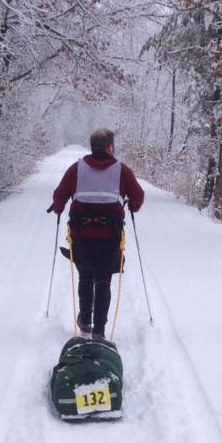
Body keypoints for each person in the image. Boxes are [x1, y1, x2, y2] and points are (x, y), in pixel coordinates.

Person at [49, 129, 144, 340]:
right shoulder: (122, 171)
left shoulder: (76, 169)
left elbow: (59, 196)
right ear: (110, 147)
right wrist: (133, 206)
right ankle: (99, 330)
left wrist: (58, 207)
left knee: (85, 277)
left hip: (81, 234)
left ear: (93, 147)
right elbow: (138, 196)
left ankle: (85, 326)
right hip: (110, 235)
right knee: (103, 280)